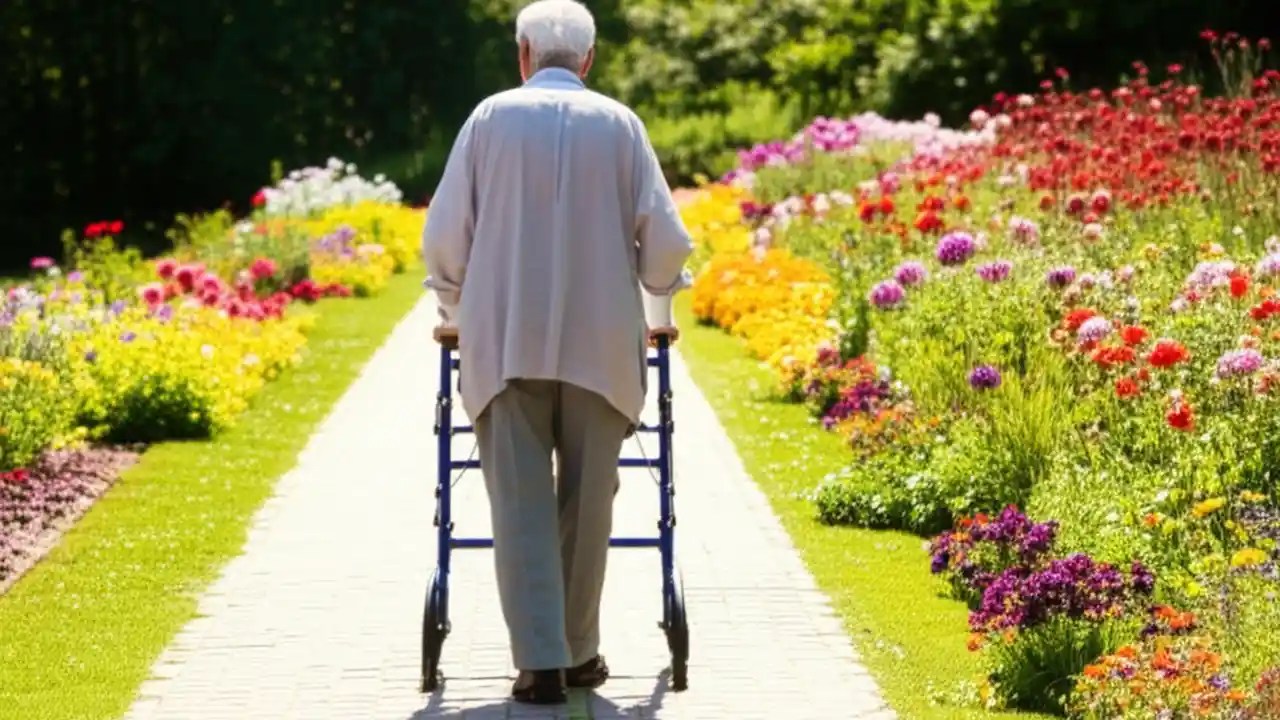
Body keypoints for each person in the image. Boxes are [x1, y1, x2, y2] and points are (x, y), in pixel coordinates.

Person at [420, 0, 693, 705]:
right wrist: (659, 295)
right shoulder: (621, 125)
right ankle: (578, 652)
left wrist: (455, 306)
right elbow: (663, 241)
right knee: (589, 497)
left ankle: (538, 663)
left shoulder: (488, 120)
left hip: (504, 335)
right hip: (600, 340)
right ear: (589, 60)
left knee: (517, 498)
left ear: (522, 54)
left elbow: (446, 234)